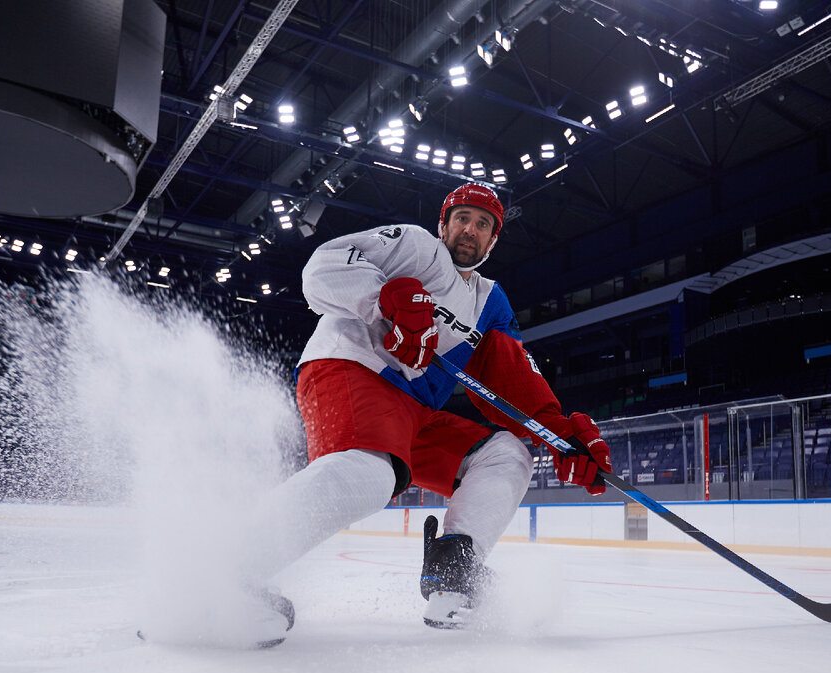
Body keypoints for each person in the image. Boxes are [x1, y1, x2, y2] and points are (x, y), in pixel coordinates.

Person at [244, 183, 612, 642]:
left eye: (483, 224)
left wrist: (559, 434)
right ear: (443, 225)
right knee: (370, 474)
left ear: (493, 241)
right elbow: (323, 267)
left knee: (506, 454)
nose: (470, 230)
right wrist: (386, 297)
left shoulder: (489, 302)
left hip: (415, 412)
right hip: (355, 368)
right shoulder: (417, 248)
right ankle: (229, 569)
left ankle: (454, 574)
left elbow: (512, 377)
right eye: (462, 219)